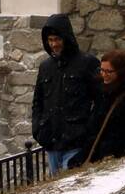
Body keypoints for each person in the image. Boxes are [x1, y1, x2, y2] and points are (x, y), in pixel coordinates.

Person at [31, 14, 100, 174]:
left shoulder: (87, 63)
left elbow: (99, 101)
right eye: (50, 40)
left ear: (66, 38)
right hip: (52, 141)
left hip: (76, 141)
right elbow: (38, 102)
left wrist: (88, 131)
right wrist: (38, 129)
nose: (54, 44)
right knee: (57, 191)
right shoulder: (45, 67)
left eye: (57, 39)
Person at [82, 50, 125, 164]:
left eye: (109, 71)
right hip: (96, 150)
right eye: (102, 70)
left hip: (117, 153)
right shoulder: (100, 89)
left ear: (121, 72)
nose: (104, 75)